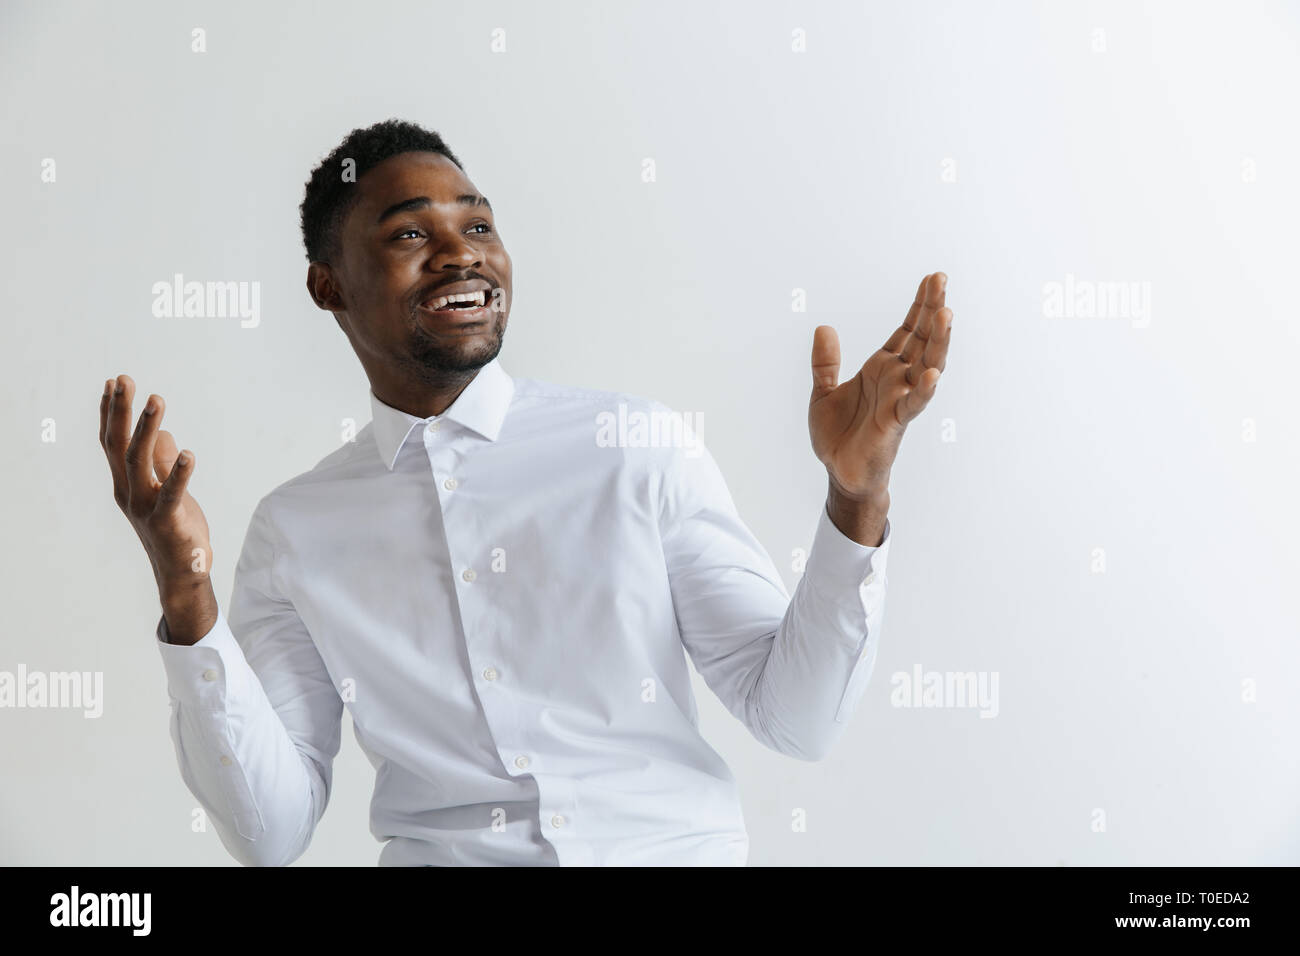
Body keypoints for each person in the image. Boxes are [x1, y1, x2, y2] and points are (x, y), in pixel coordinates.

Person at [98, 118, 954, 866]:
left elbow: (795, 718)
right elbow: (269, 833)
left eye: (478, 224)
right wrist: (186, 593)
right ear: (328, 286)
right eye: (408, 235)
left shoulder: (635, 447)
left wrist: (856, 498)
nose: (461, 251)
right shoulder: (295, 530)